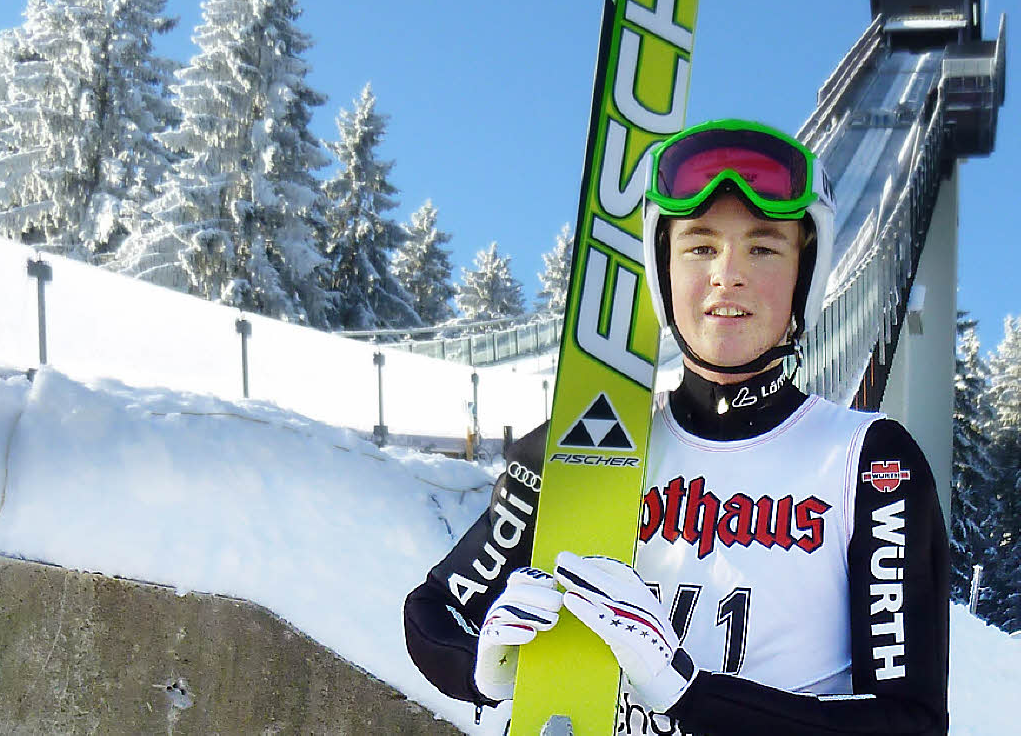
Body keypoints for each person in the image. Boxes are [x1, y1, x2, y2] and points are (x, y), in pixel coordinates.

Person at [403, 119, 949, 735]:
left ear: (806, 275)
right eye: (700, 245)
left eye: (764, 247)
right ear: (663, 270)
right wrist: (483, 670)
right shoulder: (584, 444)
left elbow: (911, 724)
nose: (727, 275)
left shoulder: (870, 464)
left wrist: (685, 695)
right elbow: (432, 613)